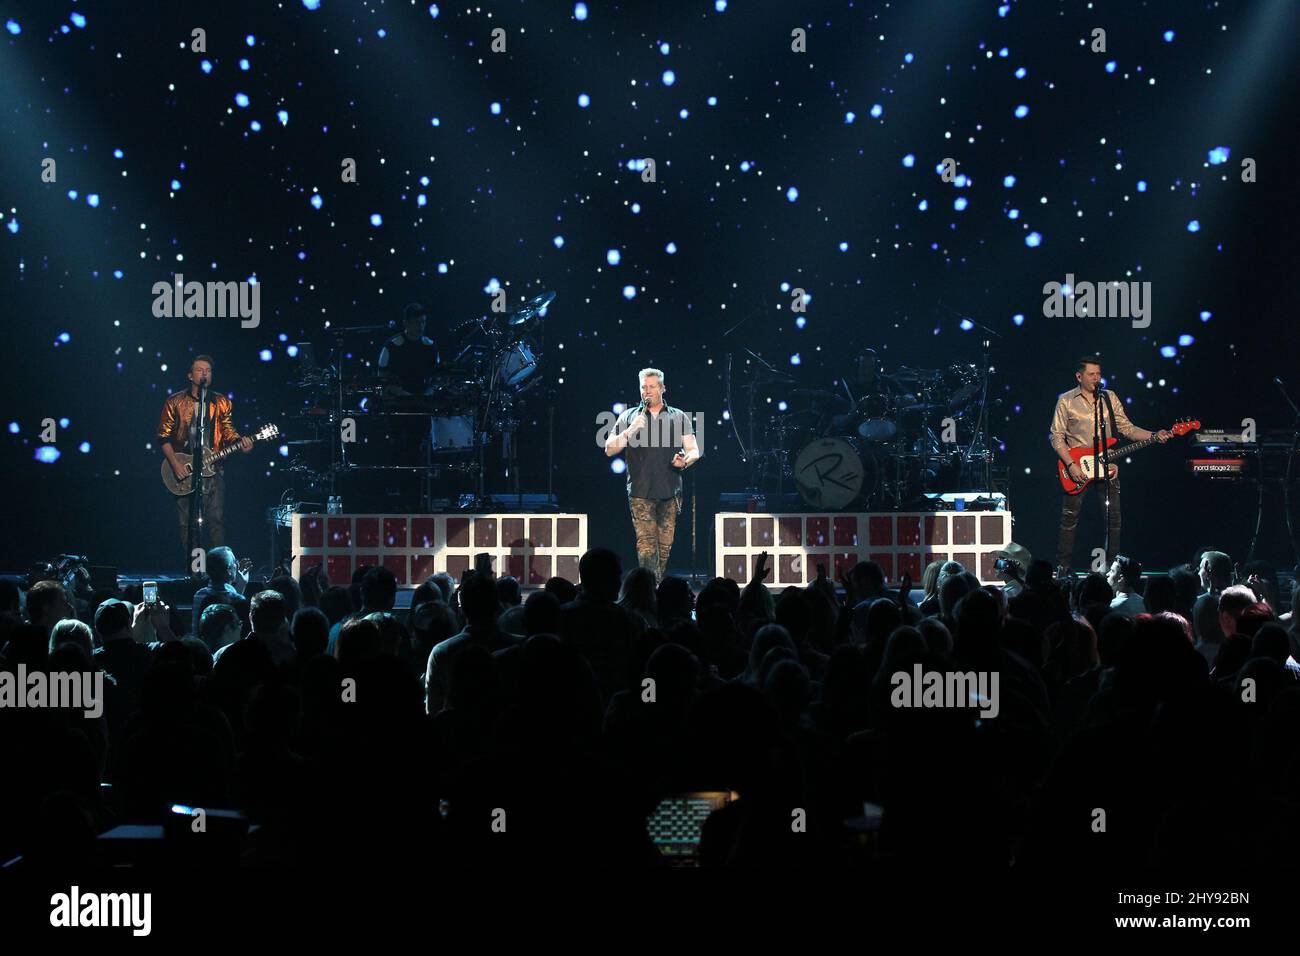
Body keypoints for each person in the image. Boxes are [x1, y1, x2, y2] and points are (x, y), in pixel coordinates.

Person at [1050, 356, 1170, 572]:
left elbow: (1127, 428)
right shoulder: (1066, 400)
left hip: (1107, 466)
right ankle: (1062, 568)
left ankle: (1114, 569)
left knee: (1113, 520)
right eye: (1091, 374)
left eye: (1098, 374)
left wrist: (1154, 434)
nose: (1097, 378)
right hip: (1076, 467)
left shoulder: (1109, 397)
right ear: (1079, 376)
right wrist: (1070, 464)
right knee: (1069, 520)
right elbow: (1056, 436)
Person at [603, 368, 700, 580]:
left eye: (652, 387)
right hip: (640, 491)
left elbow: (694, 450)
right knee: (647, 546)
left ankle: (652, 587)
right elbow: (609, 448)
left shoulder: (678, 416)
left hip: (670, 491)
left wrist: (685, 461)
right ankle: (651, 593)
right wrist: (629, 432)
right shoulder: (629, 417)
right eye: (643, 387)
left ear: (663, 388)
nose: (647, 391)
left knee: (664, 548)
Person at [157, 355, 253, 566]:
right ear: (190, 375)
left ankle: (219, 571)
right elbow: (163, 437)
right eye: (200, 370)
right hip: (184, 470)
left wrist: (241, 442)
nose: (204, 373)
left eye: (208, 370)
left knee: (216, 521)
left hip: (214, 470)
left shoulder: (221, 402)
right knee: (187, 524)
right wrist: (175, 464)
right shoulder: (174, 402)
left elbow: (228, 431)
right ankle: (194, 571)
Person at [377, 302, 438, 395]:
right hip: (396, 402)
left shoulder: (430, 346)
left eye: (423, 322)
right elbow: (381, 378)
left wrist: (427, 394)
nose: (421, 326)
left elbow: (437, 377)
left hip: (424, 401)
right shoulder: (391, 346)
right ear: (406, 323)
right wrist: (400, 393)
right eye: (417, 322)